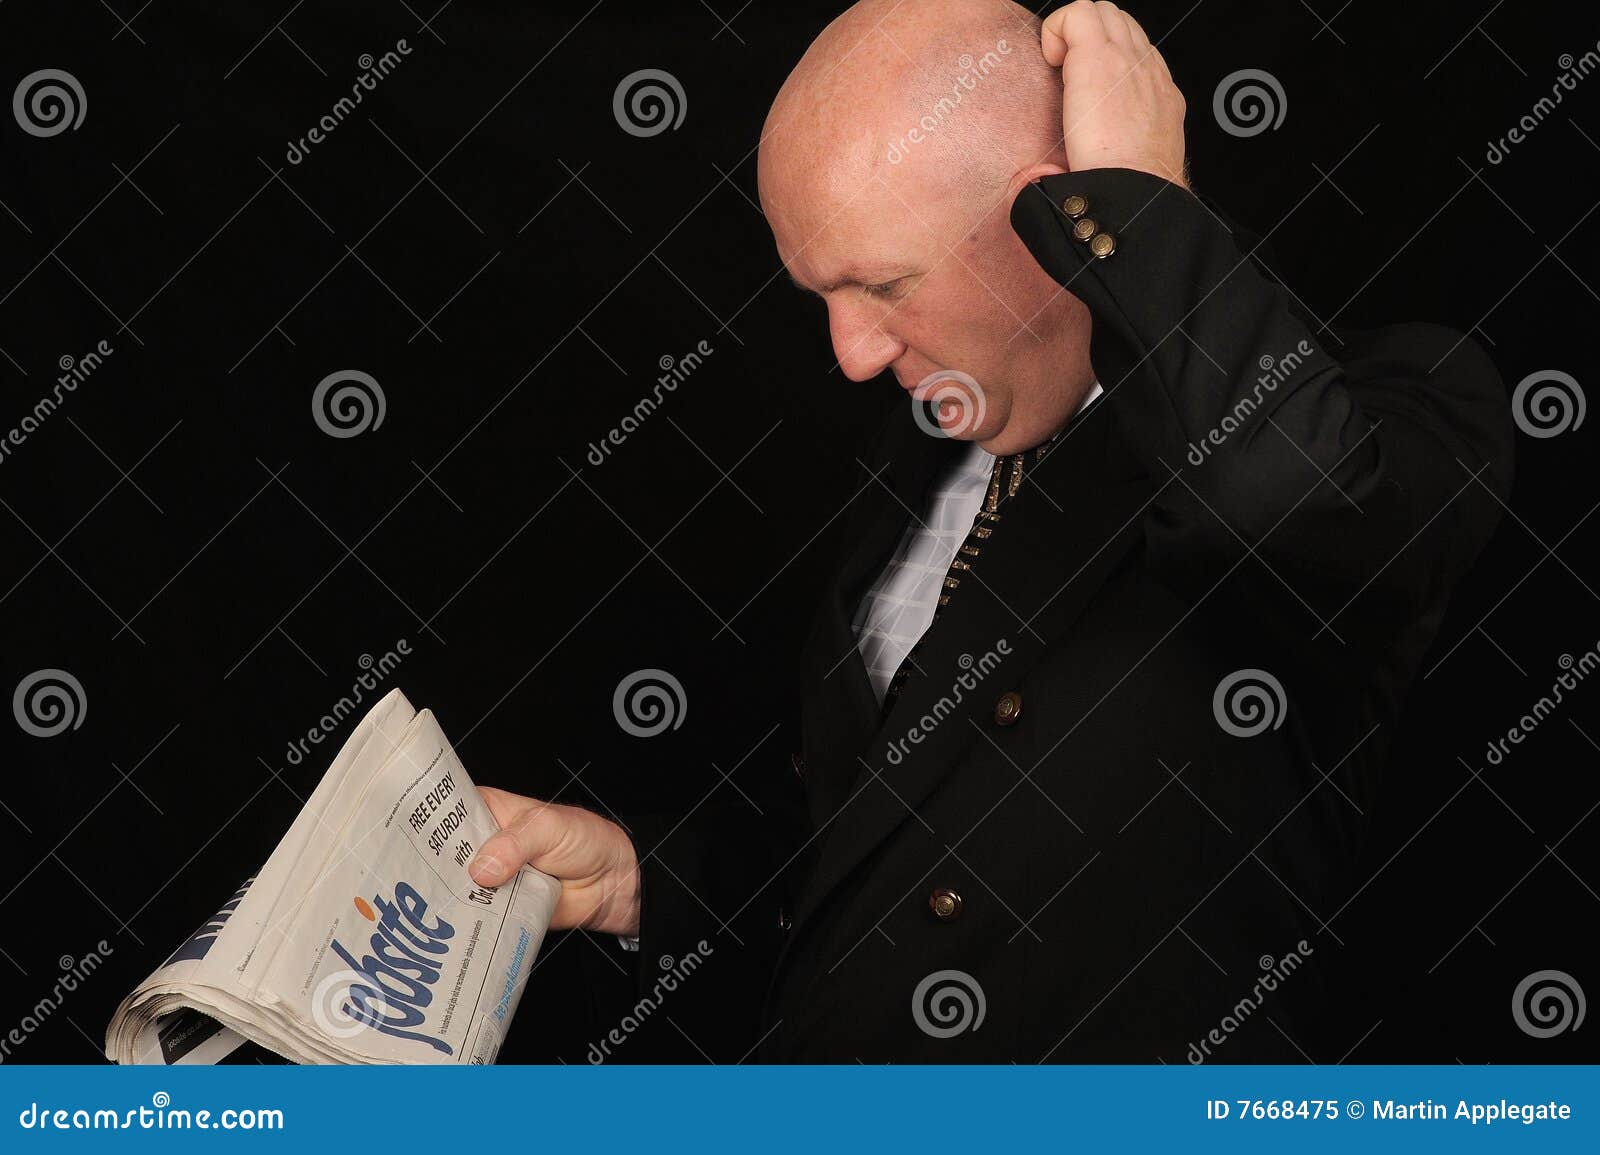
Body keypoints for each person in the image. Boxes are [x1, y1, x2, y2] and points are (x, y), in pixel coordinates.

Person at [470, 0, 1513, 1061]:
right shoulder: (918, 457)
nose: (852, 355)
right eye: (822, 295)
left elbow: (1285, 503)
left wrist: (1142, 208)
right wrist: (644, 882)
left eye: (882, 285)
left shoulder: (1397, 405)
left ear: (1053, 215)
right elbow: (890, 847)